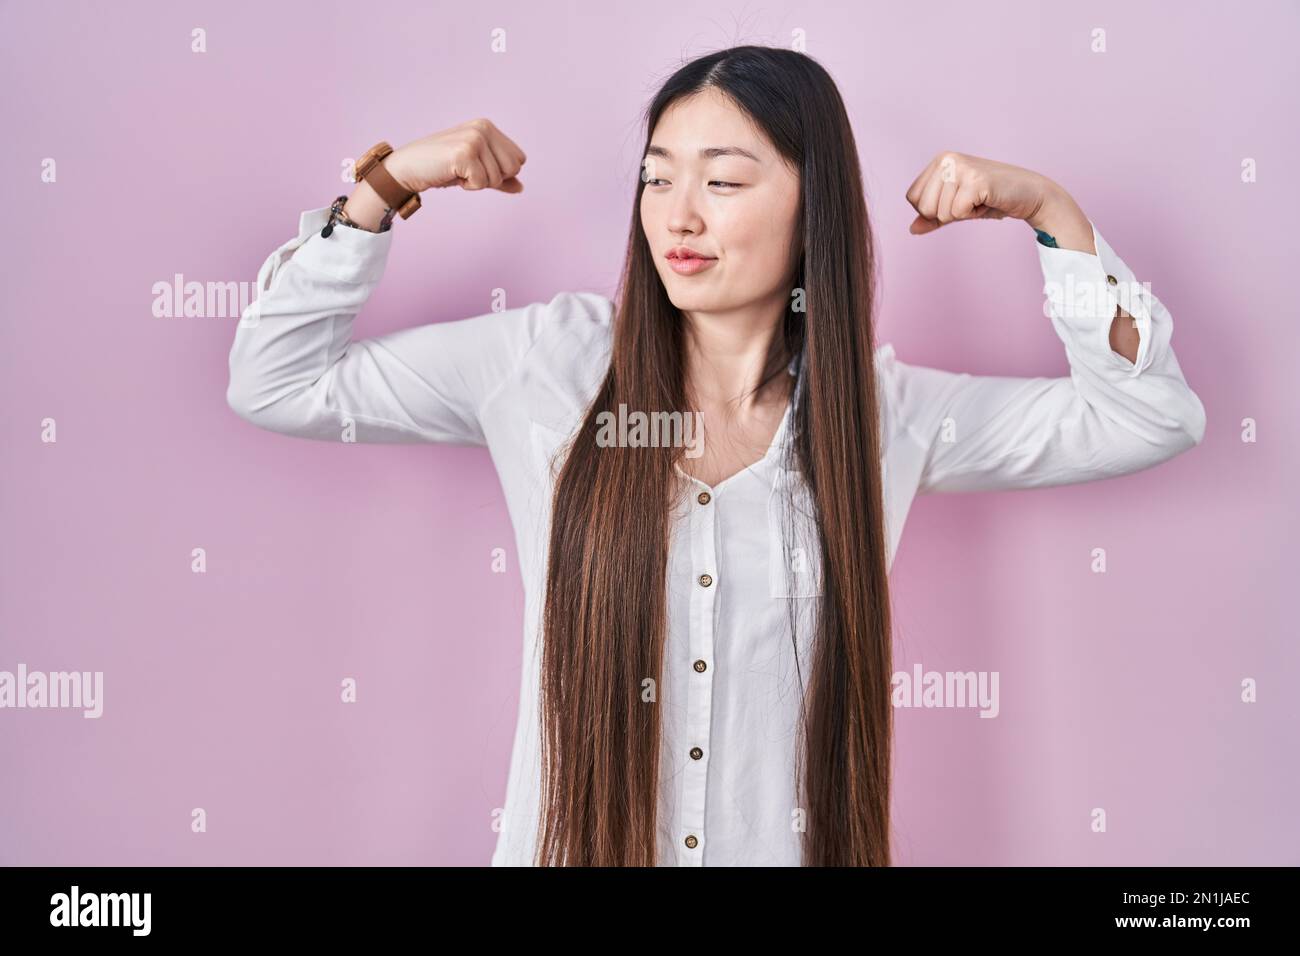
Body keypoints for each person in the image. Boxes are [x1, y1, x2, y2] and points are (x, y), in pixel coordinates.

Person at [225, 45, 1206, 866]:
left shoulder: (882, 416)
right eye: (656, 176)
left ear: (809, 204)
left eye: (723, 180)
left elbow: (1146, 417)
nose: (677, 214)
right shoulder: (540, 366)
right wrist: (386, 188)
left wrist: (1049, 209)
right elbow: (275, 379)